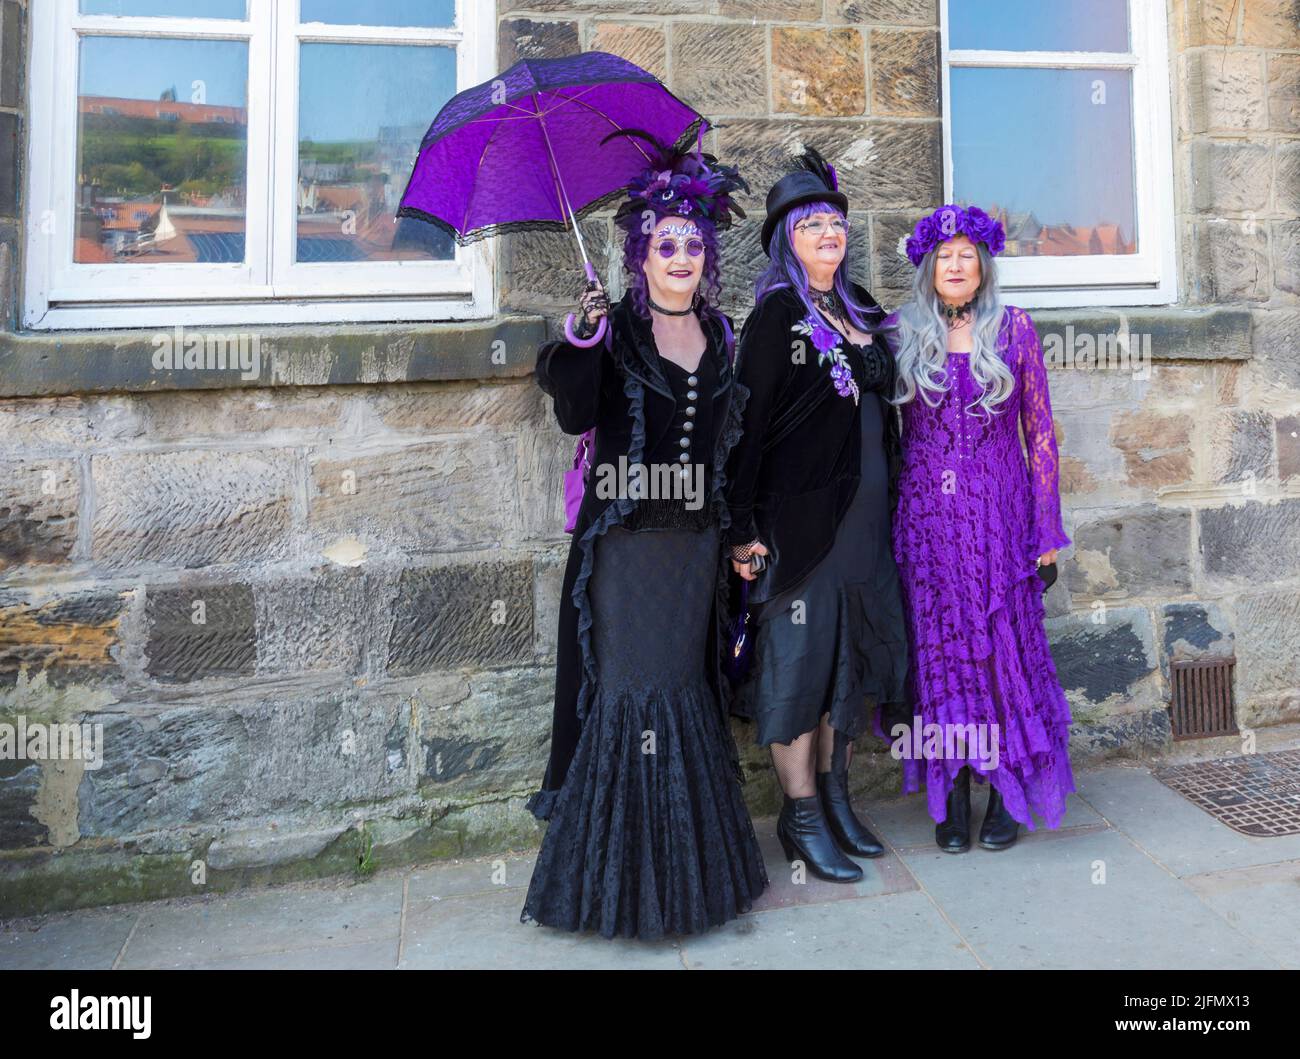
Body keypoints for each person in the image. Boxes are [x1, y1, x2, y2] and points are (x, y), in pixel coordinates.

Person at [521, 133, 767, 939]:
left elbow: (726, 457)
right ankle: (618, 889)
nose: (682, 255)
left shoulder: (722, 335)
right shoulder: (617, 328)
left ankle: (688, 882)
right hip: (625, 553)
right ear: (640, 252)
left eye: (694, 243)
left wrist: (736, 536)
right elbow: (573, 411)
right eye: (666, 243)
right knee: (631, 698)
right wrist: (586, 334)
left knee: (683, 695)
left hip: (693, 552)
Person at [723, 148, 909, 883]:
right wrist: (741, 526)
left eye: (835, 221)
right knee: (799, 670)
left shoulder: (858, 302)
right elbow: (744, 425)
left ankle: (834, 796)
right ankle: (799, 813)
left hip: (865, 525)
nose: (829, 233)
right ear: (787, 240)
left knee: (848, 668)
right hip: (801, 529)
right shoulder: (776, 315)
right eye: (812, 224)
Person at [884, 204, 1075, 853]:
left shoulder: (1015, 327)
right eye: (945, 254)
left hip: (1000, 516)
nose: (957, 263)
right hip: (926, 524)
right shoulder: (902, 331)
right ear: (928, 265)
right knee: (939, 654)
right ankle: (953, 787)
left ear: (983, 263)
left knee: (1000, 653)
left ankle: (1002, 791)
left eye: (967, 253)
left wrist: (1046, 525)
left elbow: (1041, 433)